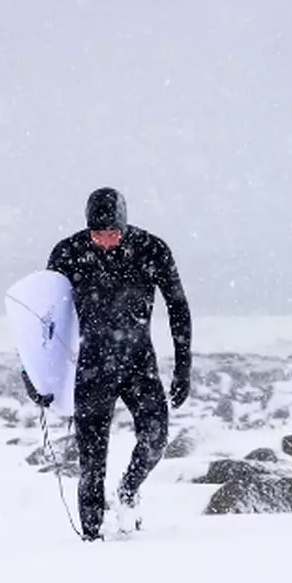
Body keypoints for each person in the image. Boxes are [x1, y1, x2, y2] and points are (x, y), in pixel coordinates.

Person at [22, 187, 192, 542]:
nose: (105, 241)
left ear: (124, 225)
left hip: (138, 364)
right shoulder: (68, 253)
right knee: (92, 464)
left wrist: (183, 366)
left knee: (156, 438)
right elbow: (43, 319)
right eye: (97, 234)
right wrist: (34, 374)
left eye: (112, 233)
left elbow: (178, 307)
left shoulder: (152, 249)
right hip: (92, 368)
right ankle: (91, 538)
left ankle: (128, 490)